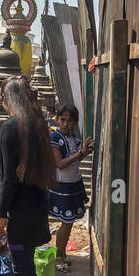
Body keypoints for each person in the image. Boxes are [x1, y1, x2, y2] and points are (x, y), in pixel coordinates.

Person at [0, 78, 58, 276]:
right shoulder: (38, 126)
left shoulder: (11, 127)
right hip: (36, 205)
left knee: (22, 265)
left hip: (20, 211)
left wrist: (1, 215)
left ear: (8, 101)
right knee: (23, 261)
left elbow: (10, 178)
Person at [47, 104, 93, 261]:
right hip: (63, 186)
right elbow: (60, 164)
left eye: (70, 121)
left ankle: (61, 254)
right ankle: (59, 256)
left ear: (75, 122)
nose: (66, 124)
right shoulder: (54, 138)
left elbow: (74, 161)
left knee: (69, 222)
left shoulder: (73, 139)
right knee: (67, 222)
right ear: (57, 120)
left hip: (74, 184)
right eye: (63, 119)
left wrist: (84, 152)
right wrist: (81, 152)